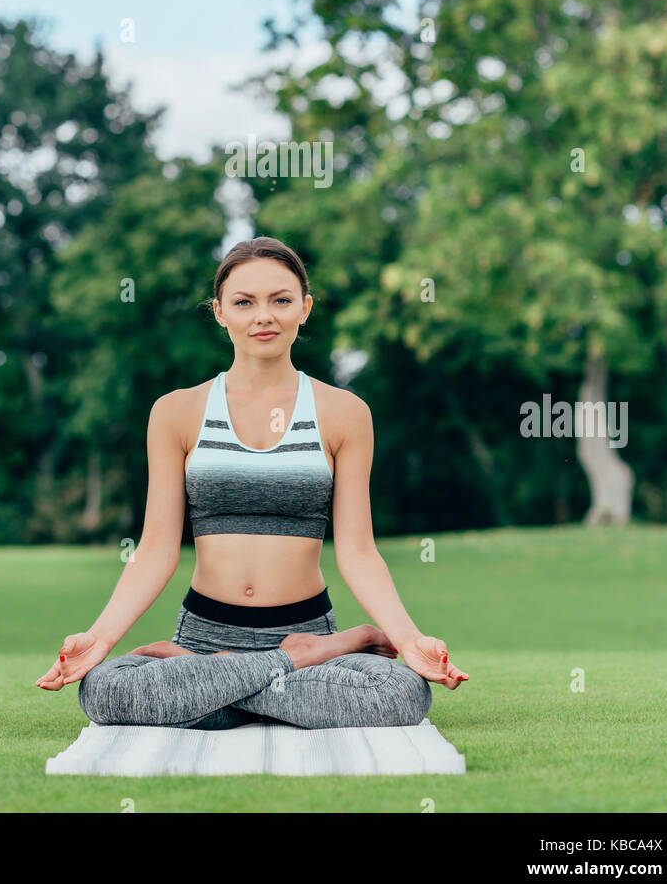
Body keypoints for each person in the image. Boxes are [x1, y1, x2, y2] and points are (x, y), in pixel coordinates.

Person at [36, 236, 468, 729]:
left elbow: (358, 550)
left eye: (281, 300)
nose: (264, 316)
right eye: (244, 302)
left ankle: (226, 681)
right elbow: (156, 547)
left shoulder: (345, 413)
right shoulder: (176, 412)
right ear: (220, 312)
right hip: (202, 636)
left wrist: (409, 640)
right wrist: (100, 637)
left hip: (305, 629)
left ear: (304, 309)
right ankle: (294, 666)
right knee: (105, 691)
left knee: (399, 694)